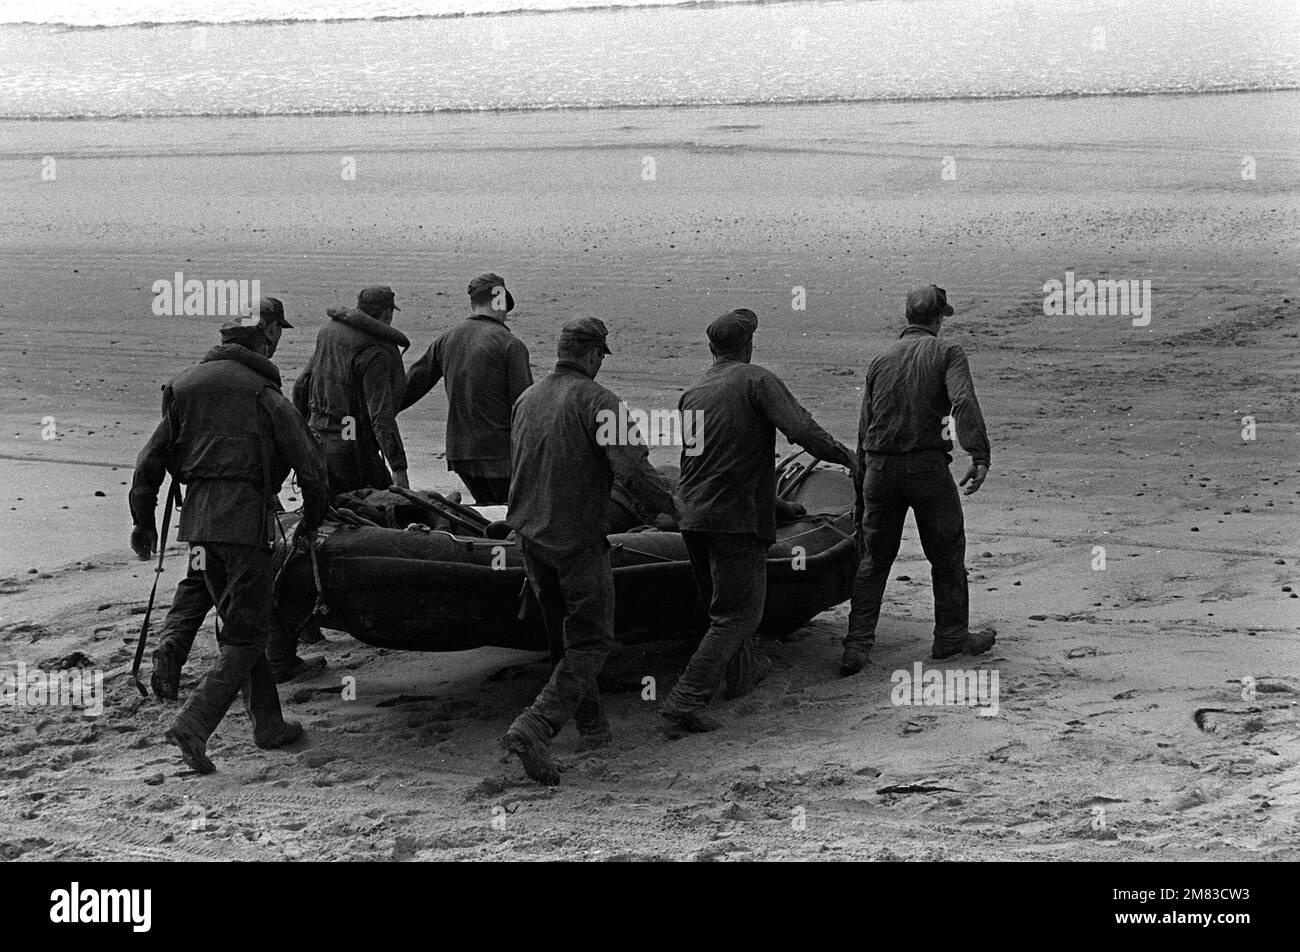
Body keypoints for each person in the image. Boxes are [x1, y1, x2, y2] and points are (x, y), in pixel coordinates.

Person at [130, 314, 329, 774]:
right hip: (245, 525)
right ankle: (193, 724)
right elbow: (311, 464)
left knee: (240, 623)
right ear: (263, 342)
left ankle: (268, 724)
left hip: (199, 526)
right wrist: (313, 518)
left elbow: (148, 463)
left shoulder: (183, 387)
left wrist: (143, 522)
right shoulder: (264, 394)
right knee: (248, 633)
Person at [658, 308, 856, 737]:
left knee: (720, 607)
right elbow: (803, 431)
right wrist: (848, 458)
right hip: (733, 518)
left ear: (711, 349)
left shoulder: (693, 392)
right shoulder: (757, 381)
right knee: (739, 615)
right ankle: (684, 701)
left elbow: (705, 463)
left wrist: (776, 505)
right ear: (748, 346)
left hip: (692, 516)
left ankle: (742, 673)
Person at [501, 318, 676, 785]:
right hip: (574, 541)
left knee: (565, 638)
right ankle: (536, 725)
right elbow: (634, 471)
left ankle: (593, 726)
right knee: (593, 640)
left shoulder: (527, 399)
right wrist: (674, 510)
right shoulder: (600, 402)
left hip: (528, 537)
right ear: (596, 355)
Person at [840, 285, 996, 677]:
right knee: (946, 553)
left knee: (874, 558)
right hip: (926, 467)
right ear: (939, 319)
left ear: (908, 317)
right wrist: (978, 454)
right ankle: (950, 637)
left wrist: (862, 482)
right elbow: (962, 402)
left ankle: (856, 646)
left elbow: (865, 426)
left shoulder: (881, 359)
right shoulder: (947, 352)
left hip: (879, 468)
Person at [400, 273, 532, 505]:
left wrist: (376, 415)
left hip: (460, 452)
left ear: (473, 303)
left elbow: (410, 386)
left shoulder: (447, 339)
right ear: (500, 300)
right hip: (499, 454)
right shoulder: (511, 345)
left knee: (487, 508)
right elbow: (526, 406)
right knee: (511, 509)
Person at [293, 286, 410, 496]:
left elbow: (301, 385)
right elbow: (381, 416)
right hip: (351, 447)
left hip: (317, 438)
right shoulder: (377, 352)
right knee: (381, 504)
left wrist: (302, 435)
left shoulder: (328, 332)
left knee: (328, 507)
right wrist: (399, 467)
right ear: (387, 313)